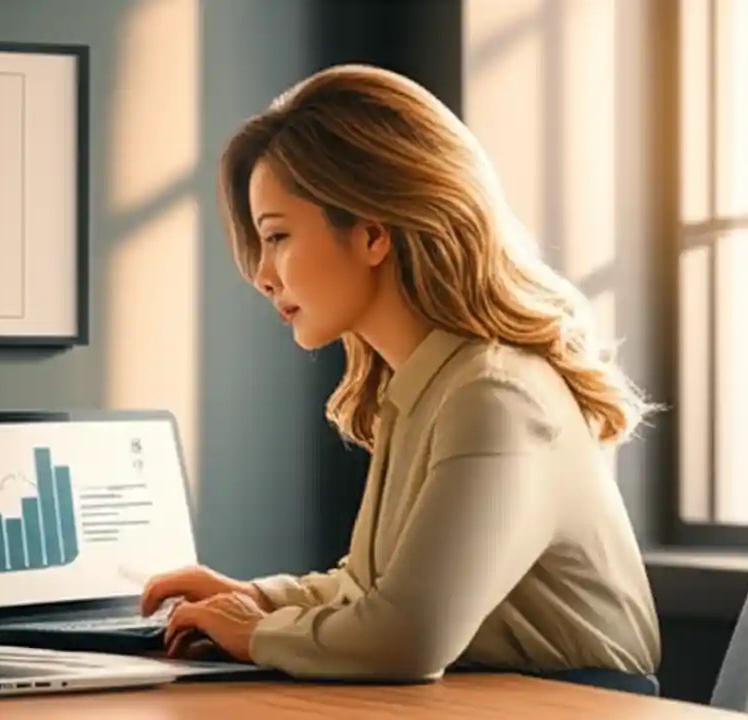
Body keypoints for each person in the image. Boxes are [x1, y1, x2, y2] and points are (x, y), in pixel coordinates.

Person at [139, 64, 662, 689]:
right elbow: (375, 588)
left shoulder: (497, 396)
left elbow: (407, 637)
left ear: (372, 232)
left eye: (277, 236)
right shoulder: (427, 383)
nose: (262, 273)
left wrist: (251, 633)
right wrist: (259, 598)